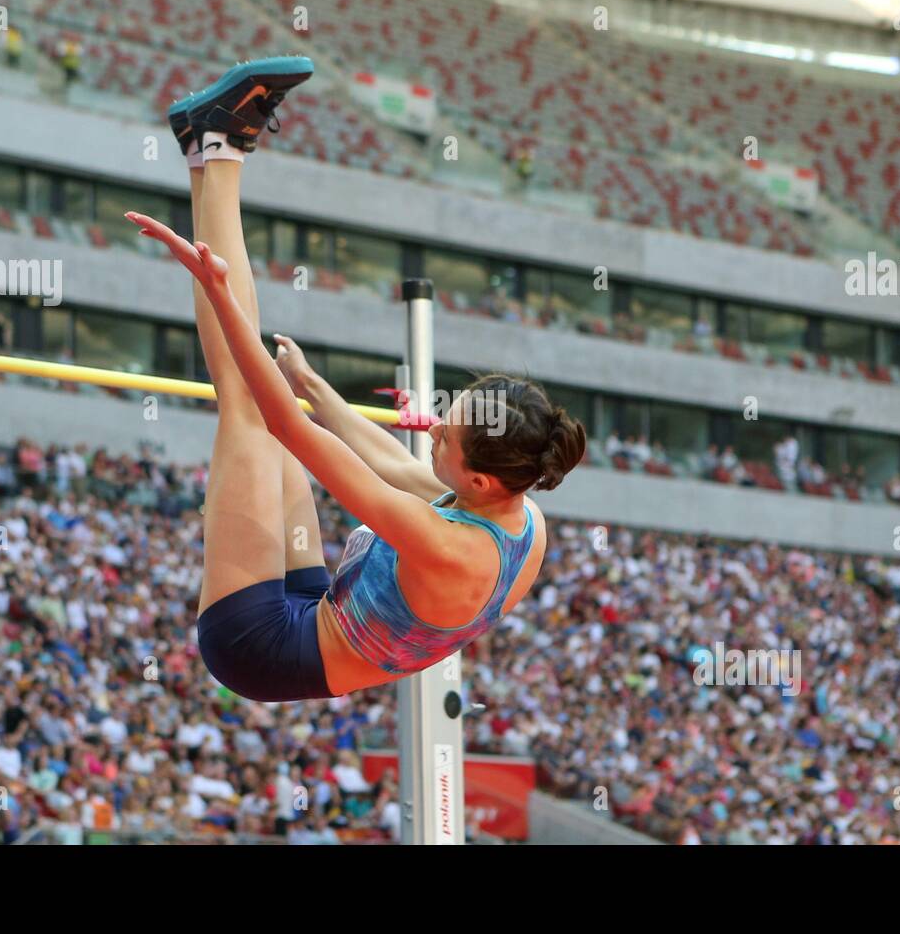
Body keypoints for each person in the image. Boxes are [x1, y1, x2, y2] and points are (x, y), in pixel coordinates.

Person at [125, 55, 585, 702]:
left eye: (442, 436)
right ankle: (205, 148)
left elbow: (289, 426)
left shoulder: (452, 545)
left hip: (261, 648)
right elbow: (394, 469)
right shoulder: (515, 509)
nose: (427, 433)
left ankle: (221, 146)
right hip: (323, 614)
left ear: (479, 477)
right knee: (269, 399)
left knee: (252, 406)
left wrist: (219, 293)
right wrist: (318, 389)